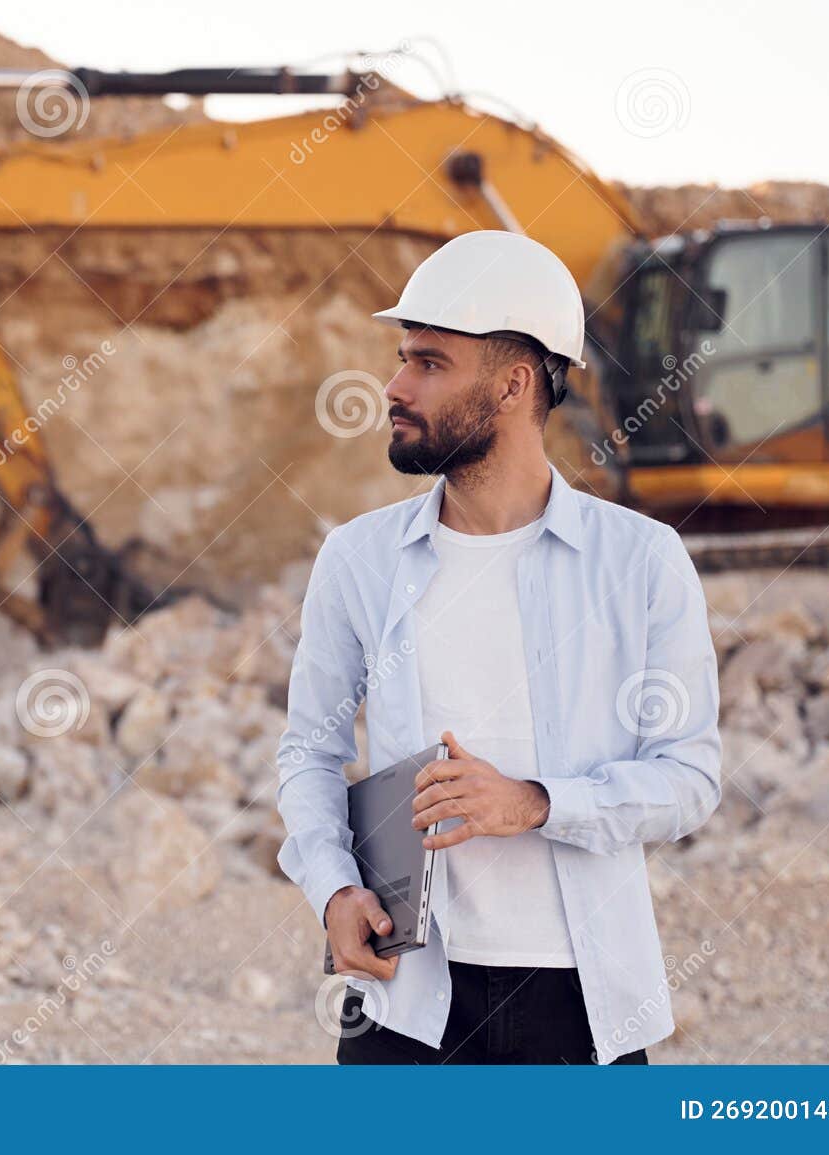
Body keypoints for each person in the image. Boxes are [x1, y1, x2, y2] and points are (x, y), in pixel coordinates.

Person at [276, 231, 721, 1065]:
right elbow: (309, 748)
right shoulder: (359, 559)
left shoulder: (640, 561)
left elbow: (689, 778)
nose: (394, 386)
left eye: (430, 363)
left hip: (577, 1003)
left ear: (515, 384)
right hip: (404, 1006)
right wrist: (332, 887)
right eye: (403, 358)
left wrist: (536, 802)